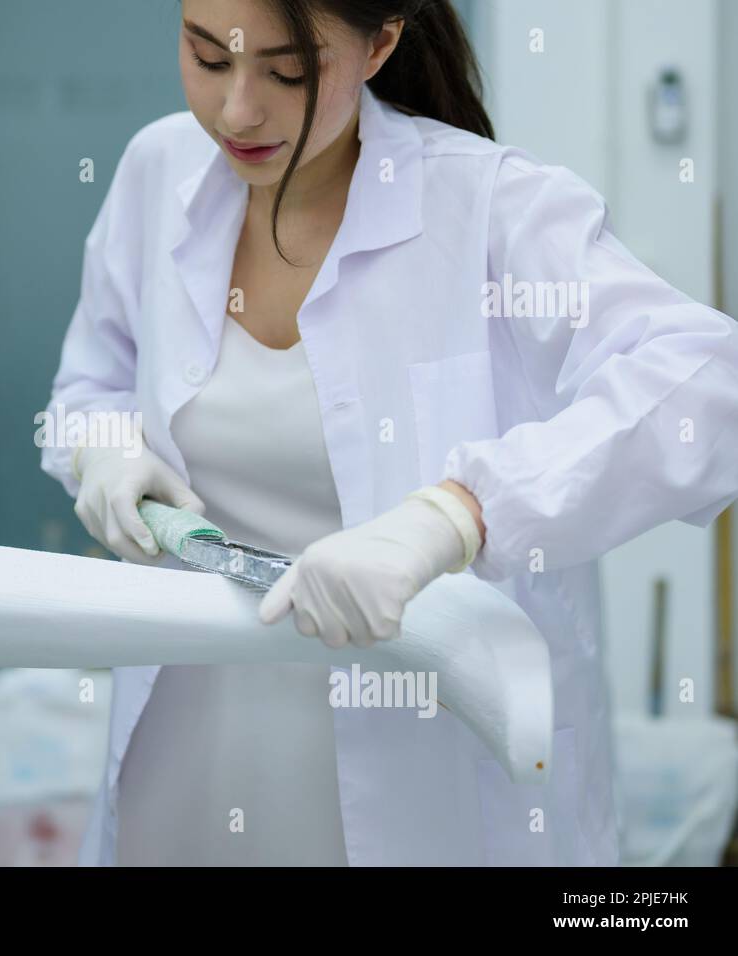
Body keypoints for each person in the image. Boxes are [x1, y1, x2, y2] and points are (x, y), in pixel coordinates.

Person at [40, 0, 738, 865]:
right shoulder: (160, 170)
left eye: (288, 70)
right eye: (207, 58)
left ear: (381, 41)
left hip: (422, 795)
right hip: (185, 770)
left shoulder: (491, 207)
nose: (238, 111)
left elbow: (708, 384)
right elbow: (92, 378)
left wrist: (456, 515)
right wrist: (100, 446)